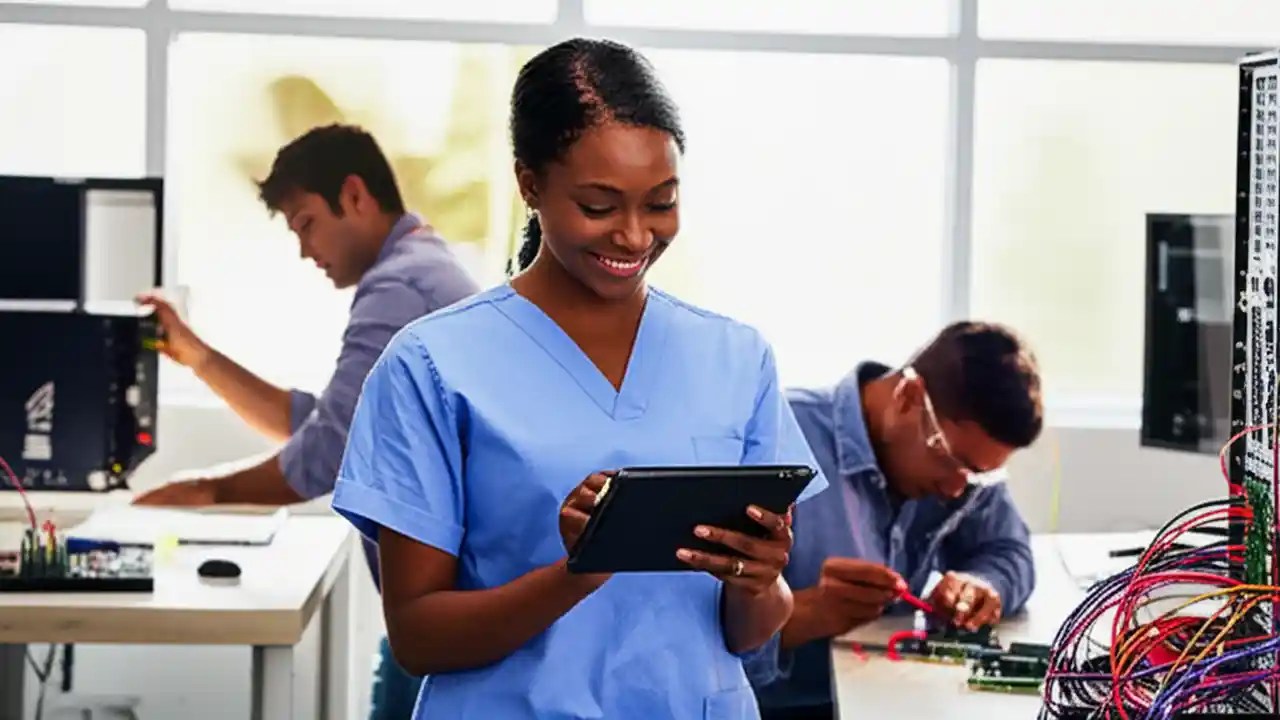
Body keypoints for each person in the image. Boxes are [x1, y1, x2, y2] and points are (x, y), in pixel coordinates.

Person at [329, 37, 827, 719]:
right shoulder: (433, 366)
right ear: (530, 184)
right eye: (598, 205)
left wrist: (757, 580)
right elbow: (417, 637)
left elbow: (750, 629)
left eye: (661, 202)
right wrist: (577, 573)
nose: (633, 235)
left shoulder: (737, 359)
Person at [131, 123, 479, 719]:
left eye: (305, 224)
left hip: (444, 612)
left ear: (354, 195)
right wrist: (200, 359)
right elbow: (325, 424)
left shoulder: (397, 286)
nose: (304, 250)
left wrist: (206, 492)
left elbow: (332, 450)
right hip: (444, 604)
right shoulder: (421, 265)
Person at [750, 321, 1044, 720]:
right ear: (907, 398)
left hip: (893, 700)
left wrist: (984, 586)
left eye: (978, 476)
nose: (958, 490)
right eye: (953, 462)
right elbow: (695, 642)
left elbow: (1008, 549)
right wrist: (804, 613)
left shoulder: (959, 467)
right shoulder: (777, 442)